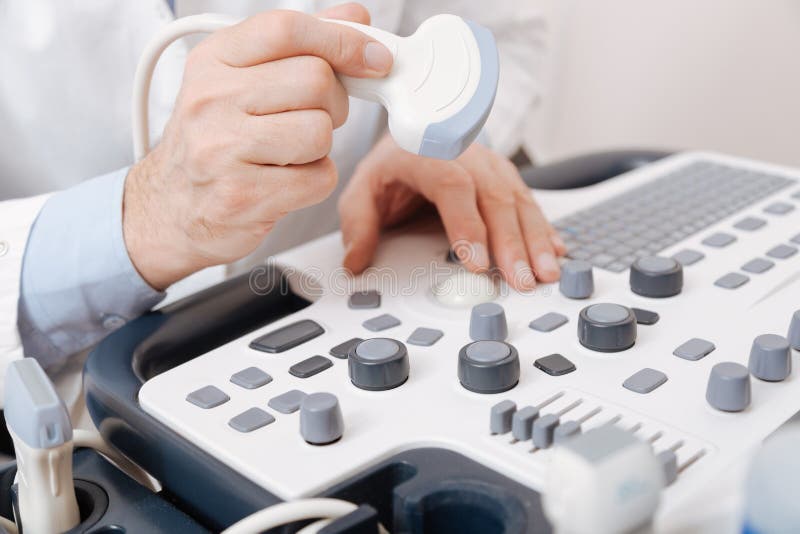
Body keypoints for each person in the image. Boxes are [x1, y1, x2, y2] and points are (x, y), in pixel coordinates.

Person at [0, 1, 562, 408]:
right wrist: (147, 217)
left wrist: (429, 141)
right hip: (74, 406)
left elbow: (503, 32)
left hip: (348, 289)